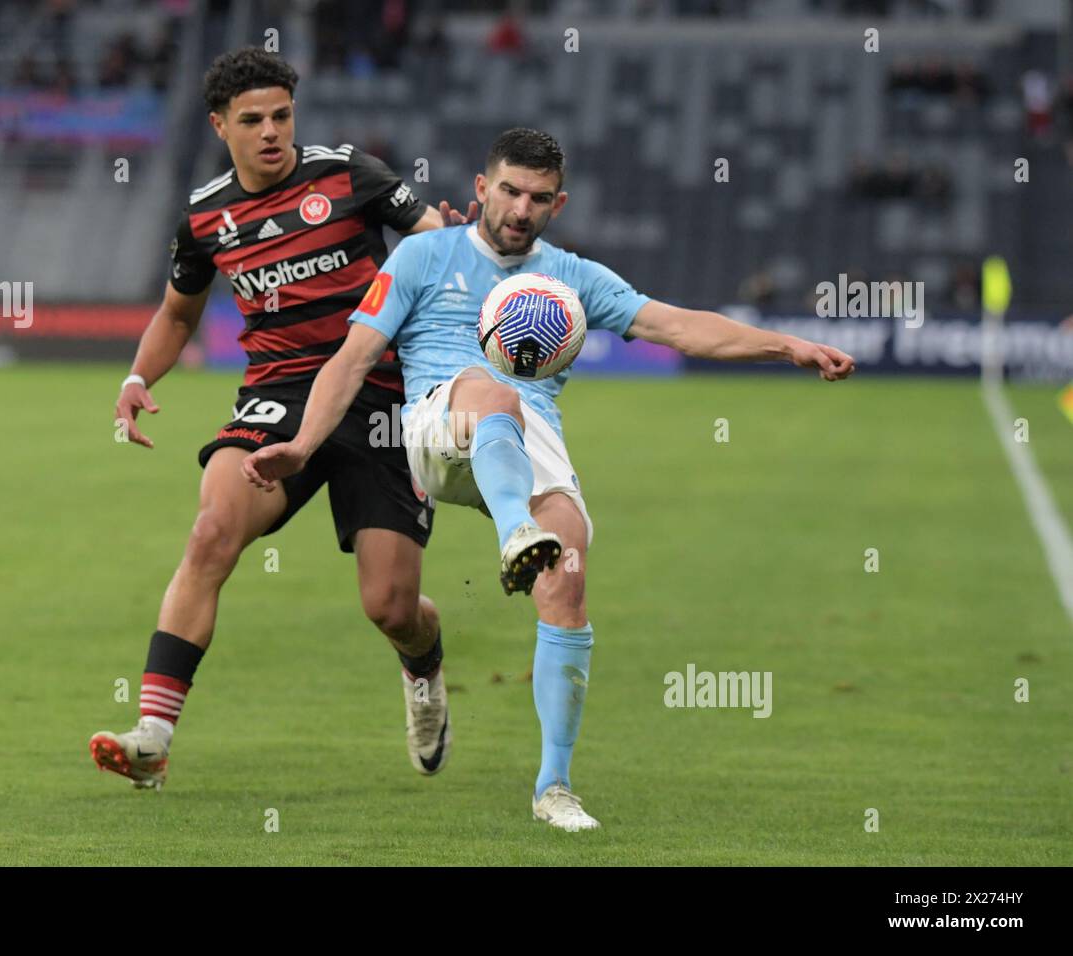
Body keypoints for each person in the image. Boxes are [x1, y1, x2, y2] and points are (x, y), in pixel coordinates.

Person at [242, 128, 856, 830]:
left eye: (537, 197)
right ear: (481, 189)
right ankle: (514, 534)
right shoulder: (424, 254)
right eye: (508, 190)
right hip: (444, 424)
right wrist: (299, 446)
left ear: (557, 204)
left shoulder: (573, 277)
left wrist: (789, 346)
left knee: (566, 577)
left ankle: (554, 788)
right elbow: (352, 360)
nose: (520, 208)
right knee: (491, 391)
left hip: (531, 440)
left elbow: (679, 327)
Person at [89, 48, 475, 790]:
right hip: (278, 395)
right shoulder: (205, 216)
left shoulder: (348, 174)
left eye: (282, 116)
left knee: (390, 606)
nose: (272, 132)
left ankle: (423, 666)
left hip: (376, 393)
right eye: (253, 120)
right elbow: (178, 312)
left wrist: (449, 241)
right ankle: (154, 737)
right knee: (210, 534)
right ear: (219, 126)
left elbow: (434, 239)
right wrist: (140, 375)